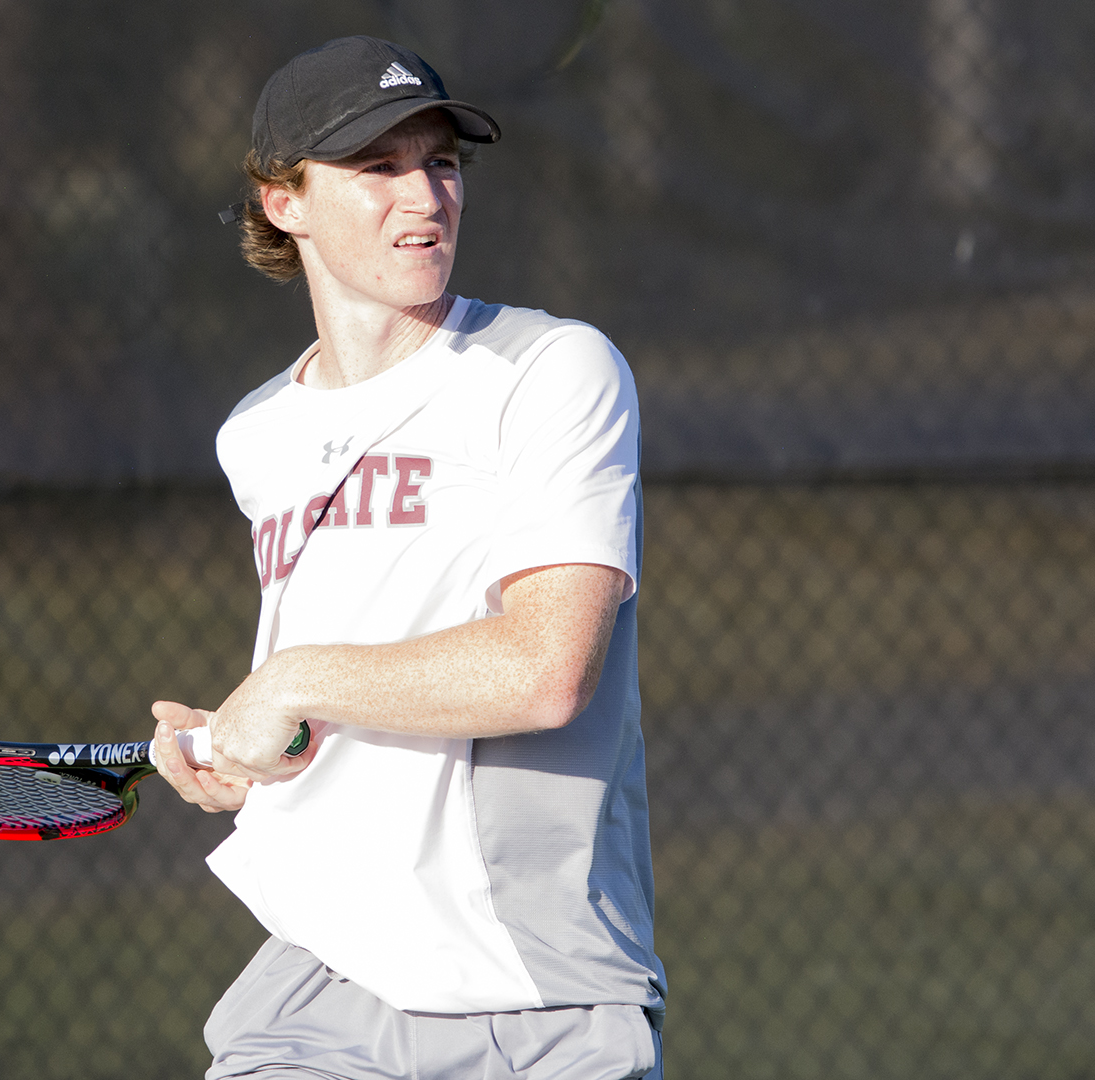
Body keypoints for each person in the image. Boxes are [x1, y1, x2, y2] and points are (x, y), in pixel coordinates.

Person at [149, 35, 665, 1080]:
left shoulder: (552, 371)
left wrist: (290, 683)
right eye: (375, 167)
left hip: (534, 1000)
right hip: (318, 983)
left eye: (440, 161)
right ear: (282, 201)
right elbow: (366, 672)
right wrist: (241, 744)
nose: (424, 195)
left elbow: (543, 670)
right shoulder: (257, 433)